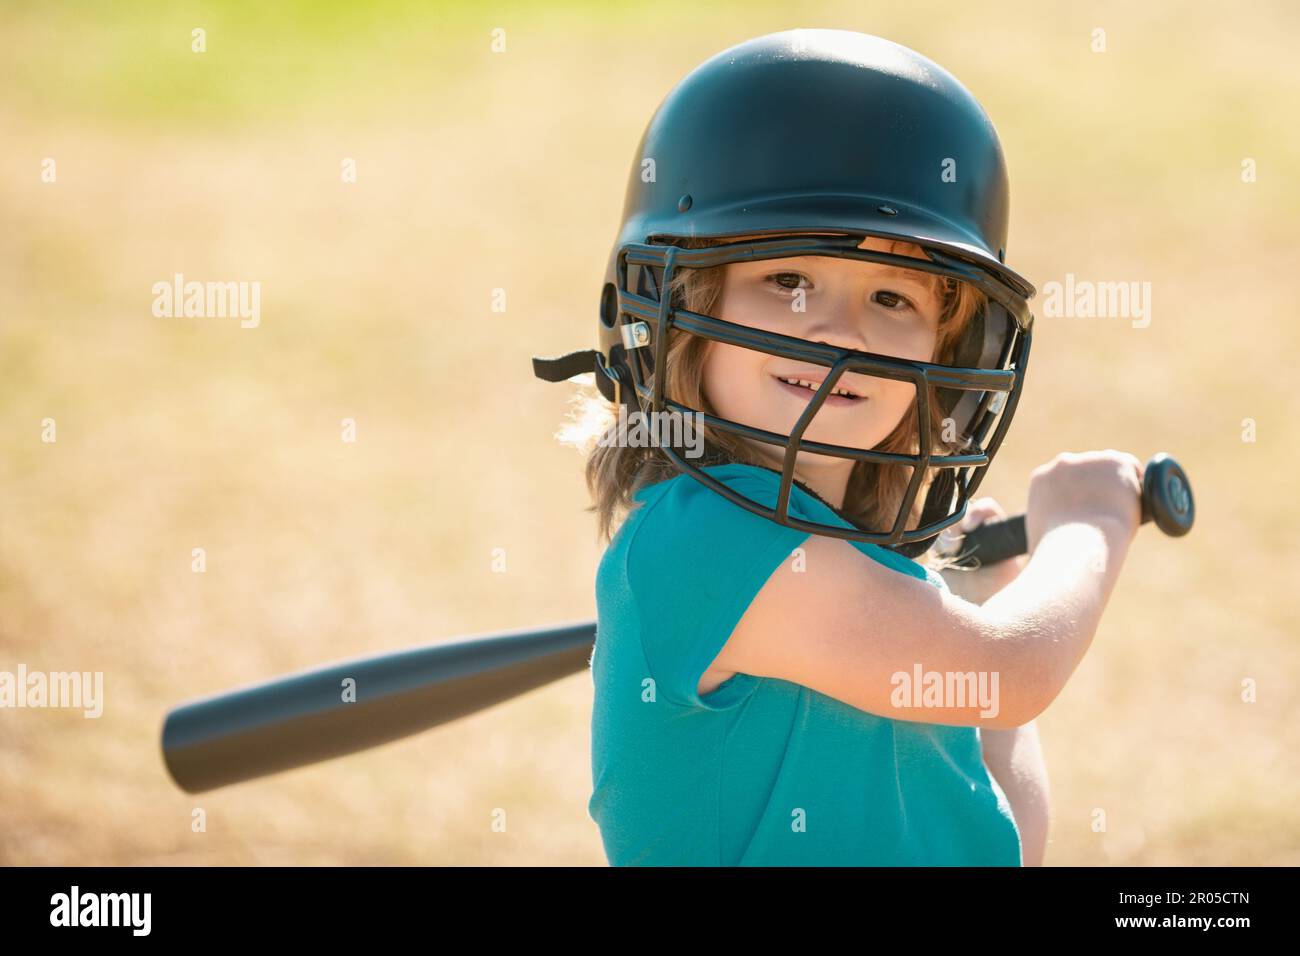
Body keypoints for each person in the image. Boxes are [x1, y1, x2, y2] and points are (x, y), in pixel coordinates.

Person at [533, 29, 1142, 865]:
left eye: (893, 296)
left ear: (948, 355)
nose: (840, 331)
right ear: (680, 303)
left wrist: (969, 596)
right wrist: (1089, 528)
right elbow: (1011, 672)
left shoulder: (872, 598)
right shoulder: (701, 544)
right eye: (787, 281)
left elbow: (1002, 841)